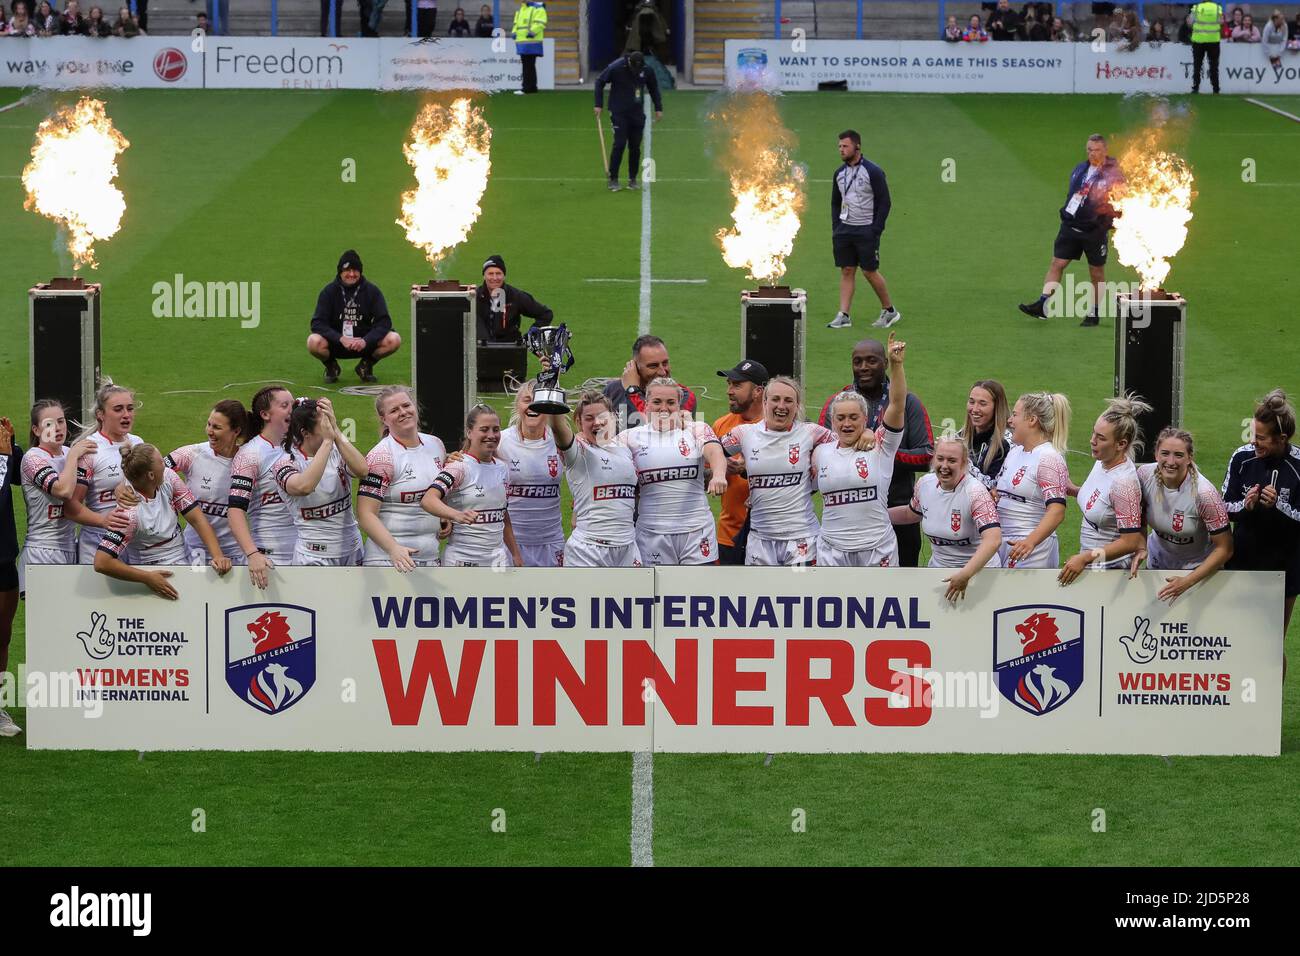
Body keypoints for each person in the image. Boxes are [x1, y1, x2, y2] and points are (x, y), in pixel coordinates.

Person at [816, 337, 934, 566]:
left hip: (881, 538)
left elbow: (897, 404)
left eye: (853, 418)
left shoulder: (881, 443)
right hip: (833, 549)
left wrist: (898, 364)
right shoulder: (821, 450)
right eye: (840, 418)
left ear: (865, 419)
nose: (846, 423)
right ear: (832, 420)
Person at [717, 378, 836, 567]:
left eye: (788, 400)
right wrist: (720, 468)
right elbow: (710, 450)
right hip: (760, 541)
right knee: (761, 594)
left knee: (800, 593)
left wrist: (866, 434)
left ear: (797, 406)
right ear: (765, 402)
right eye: (776, 399)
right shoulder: (744, 433)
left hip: (801, 541)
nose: (781, 406)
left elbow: (847, 443)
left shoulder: (811, 432)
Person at [94, 444, 229, 599]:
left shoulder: (169, 478)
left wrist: (217, 555)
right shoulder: (129, 514)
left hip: (184, 556)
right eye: (161, 462)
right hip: (156, 574)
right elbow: (102, 562)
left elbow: (197, 518)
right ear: (151, 475)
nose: (165, 465)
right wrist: (147, 578)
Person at [1019, 134, 1124, 327]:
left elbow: (1121, 202)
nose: (1092, 153)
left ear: (1105, 150)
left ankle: (1094, 312)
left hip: (1094, 232)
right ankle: (1042, 305)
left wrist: (1106, 223)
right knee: (1057, 263)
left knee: (1096, 272)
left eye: (1097, 150)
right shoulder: (1080, 169)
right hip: (1071, 226)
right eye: (1089, 150)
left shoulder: (1114, 175)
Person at [1222, 389, 1300, 636]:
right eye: (1253, 434)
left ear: (1282, 438)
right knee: (1235, 638)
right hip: (1243, 562)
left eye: (1262, 437)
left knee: (1272, 646)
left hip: (1284, 567)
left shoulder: (1299, 465)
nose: (1253, 441)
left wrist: (1278, 506)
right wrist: (1246, 506)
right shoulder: (1242, 458)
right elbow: (1223, 507)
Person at [624, 377, 727, 565]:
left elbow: (715, 451)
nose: (664, 408)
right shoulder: (630, 437)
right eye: (657, 402)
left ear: (679, 406)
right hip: (652, 534)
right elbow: (602, 457)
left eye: (671, 402)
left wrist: (718, 475)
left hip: (697, 531)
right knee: (659, 593)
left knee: (700, 593)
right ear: (646, 405)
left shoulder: (696, 429)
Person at [890, 437, 1002, 601]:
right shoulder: (925, 484)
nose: (944, 466)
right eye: (940, 459)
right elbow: (910, 514)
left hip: (978, 576)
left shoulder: (975, 492)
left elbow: (993, 540)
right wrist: (877, 516)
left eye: (952, 461)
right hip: (938, 574)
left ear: (964, 463)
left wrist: (966, 574)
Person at [20, 403, 118, 579]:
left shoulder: (68, 452)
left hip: (71, 547)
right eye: (49, 424)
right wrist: (73, 455)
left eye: (61, 421)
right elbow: (63, 491)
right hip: (42, 551)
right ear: (36, 430)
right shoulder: (32, 458)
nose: (57, 428)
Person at [1058, 395, 1149, 584]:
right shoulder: (1103, 461)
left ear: (1121, 444)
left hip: (1110, 571)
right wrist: (1073, 489)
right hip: (1094, 563)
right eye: (1093, 434)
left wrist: (1085, 558)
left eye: (1101, 438)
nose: (1092, 441)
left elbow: (1130, 542)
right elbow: (1102, 502)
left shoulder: (1123, 484)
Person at [1135, 427, 1233, 602]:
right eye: (1165, 453)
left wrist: (1187, 582)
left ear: (1189, 458)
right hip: (1157, 566)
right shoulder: (1143, 475)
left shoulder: (1205, 495)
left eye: (1179, 455)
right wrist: (1140, 547)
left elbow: (1225, 549)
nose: (1171, 461)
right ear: (1156, 454)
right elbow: (1139, 516)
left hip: (1198, 573)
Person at [421, 404, 524, 567]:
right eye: (484, 429)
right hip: (463, 559)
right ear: (469, 432)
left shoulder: (502, 468)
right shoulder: (458, 466)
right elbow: (428, 499)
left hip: (498, 560)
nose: (491, 435)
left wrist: (516, 554)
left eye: (496, 429)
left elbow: (503, 515)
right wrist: (455, 515)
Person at [547, 392, 642, 567]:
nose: (597, 422)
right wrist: (553, 384)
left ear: (614, 418)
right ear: (579, 423)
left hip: (627, 547)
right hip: (589, 551)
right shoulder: (578, 451)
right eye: (589, 418)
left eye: (602, 417)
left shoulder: (626, 450)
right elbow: (557, 427)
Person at [358, 386, 447, 570]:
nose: (403, 412)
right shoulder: (382, 456)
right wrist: (393, 549)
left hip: (431, 557)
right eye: (394, 410)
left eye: (406, 405)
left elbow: (438, 493)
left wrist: (445, 516)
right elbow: (366, 514)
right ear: (384, 419)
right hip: (388, 561)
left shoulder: (436, 444)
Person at [149, 401, 248, 565]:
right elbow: (153, 472)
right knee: (198, 589)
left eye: (217, 427)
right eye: (209, 424)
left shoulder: (248, 462)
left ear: (236, 431)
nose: (209, 431)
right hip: (197, 551)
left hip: (234, 553)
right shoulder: (192, 454)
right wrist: (123, 489)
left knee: (232, 590)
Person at [274, 398, 367, 567]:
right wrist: (327, 442)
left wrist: (336, 430)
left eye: (330, 424)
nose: (329, 431)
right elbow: (304, 486)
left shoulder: (337, 451)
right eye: (324, 427)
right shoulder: (285, 463)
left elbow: (362, 470)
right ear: (305, 432)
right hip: (314, 556)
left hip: (353, 549)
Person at [828, 130, 900, 331]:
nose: (841, 150)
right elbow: (835, 202)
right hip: (844, 230)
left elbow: (885, 202)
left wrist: (876, 229)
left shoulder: (873, 171)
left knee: (869, 271)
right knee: (847, 270)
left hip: (866, 230)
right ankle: (844, 315)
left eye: (845, 146)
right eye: (840, 146)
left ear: (857, 147)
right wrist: (836, 226)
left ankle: (889, 310)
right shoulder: (839, 174)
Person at [228, 386, 298, 589]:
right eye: (285, 406)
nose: (291, 410)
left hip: (303, 551)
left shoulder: (300, 444)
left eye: (293, 405)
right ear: (265, 414)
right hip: (271, 556)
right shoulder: (250, 455)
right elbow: (235, 511)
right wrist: (252, 553)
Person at [996, 392, 1071, 568]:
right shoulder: (1015, 452)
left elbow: (1057, 511)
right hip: (1007, 544)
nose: (1010, 421)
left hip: (1032, 550)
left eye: (1015, 415)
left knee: (1024, 597)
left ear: (1032, 420)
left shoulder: (1049, 458)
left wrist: (1030, 542)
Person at [72, 384, 145, 565]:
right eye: (118, 409)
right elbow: (71, 507)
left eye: (130, 408)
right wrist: (103, 520)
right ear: (100, 414)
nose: (126, 415)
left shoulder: (138, 443)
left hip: (134, 542)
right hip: (97, 543)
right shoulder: (89, 449)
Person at [308, 250, 402, 384]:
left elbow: (384, 322)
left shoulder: (372, 291)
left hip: (364, 343)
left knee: (394, 339)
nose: (352, 274)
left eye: (355, 270)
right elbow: (317, 323)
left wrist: (365, 340)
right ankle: (331, 366)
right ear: (340, 271)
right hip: (337, 343)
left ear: (360, 271)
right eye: (347, 270)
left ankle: (366, 365)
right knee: (313, 341)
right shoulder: (328, 292)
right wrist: (340, 338)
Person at [499, 382, 566, 567]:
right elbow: (471, 459)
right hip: (511, 544)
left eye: (538, 402)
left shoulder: (560, 441)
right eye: (527, 400)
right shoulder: (501, 441)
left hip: (551, 542)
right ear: (517, 405)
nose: (532, 406)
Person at [712, 359, 767, 565]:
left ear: (757, 391)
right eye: (729, 384)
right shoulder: (721, 425)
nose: (729, 391)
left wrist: (749, 469)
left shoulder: (775, 428)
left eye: (737, 385)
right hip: (728, 535)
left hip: (770, 536)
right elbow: (702, 474)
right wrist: (721, 470)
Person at [594, 51, 663, 192]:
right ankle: (613, 179)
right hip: (619, 111)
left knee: (635, 146)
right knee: (619, 144)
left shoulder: (647, 70)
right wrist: (598, 104)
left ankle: (632, 179)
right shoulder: (616, 67)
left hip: (637, 113)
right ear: (629, 63)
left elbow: (654, 88)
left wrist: (658, 108)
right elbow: (599, 81)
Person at [603, 334, 697, 431]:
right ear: (635, 367)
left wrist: (632, 391)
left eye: (665, 363)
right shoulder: (612, 391)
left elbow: (660, 426)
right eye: (653, 366)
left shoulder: (684, 395)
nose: (662, 372)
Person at [475, 254, 554, 344]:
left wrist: (529, 337)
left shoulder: (515, 296)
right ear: (484, 276)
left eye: (498, 273)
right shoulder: (474, 297)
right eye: (490, 273)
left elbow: (545, 314)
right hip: (480, 352)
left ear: (504, 276)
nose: (495, 278)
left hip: (511, 351)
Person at [0, 418, 20, 737]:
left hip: (4, 558)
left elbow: (18, 479)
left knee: (2, 635)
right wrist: (4, 456)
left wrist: (13, 447)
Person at [963, 379, 1012, 491]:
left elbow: (994, 487)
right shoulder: (961, 436)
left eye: (982, 403)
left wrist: (962, 462)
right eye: (971, 402)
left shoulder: (1005, 443)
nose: (975, 409)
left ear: (997, 407)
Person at [512, 1, 547, 95]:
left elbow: (541, 23)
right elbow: (516, 24)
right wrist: (514, 31)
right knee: (528, 65)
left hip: (531, 41)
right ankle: (531, 87)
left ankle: (527, 88)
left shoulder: (538, 8)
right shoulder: (521, 9)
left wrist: (532, 31)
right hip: (523, 42)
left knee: (528, 65)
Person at [1191, 1, 1225, 93]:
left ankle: (1195, 87)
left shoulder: (1196, 7)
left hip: (1198, 40)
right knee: (1214, 65)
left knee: (1197, 65)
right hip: (1213, 40)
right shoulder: (1217, 8)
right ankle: (1216, 88)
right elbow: (1221, 22)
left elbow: (1190, 21)